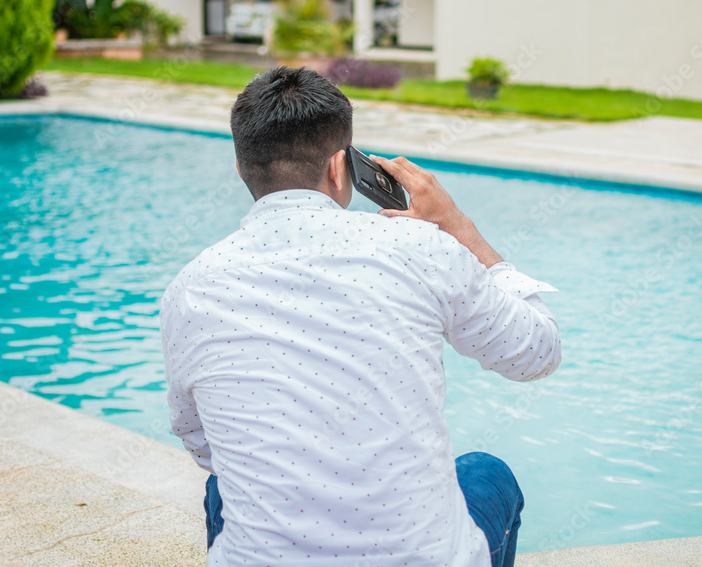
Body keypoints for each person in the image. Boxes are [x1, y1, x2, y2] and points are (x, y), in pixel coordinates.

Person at [160, 67, 561, 567]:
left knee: (226, 488)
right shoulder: (422, 248)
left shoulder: (189, 289)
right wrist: (459, 227)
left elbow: (198, 438)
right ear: (339, 167)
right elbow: (538, 352)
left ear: (242, 169)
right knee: (486, 473)